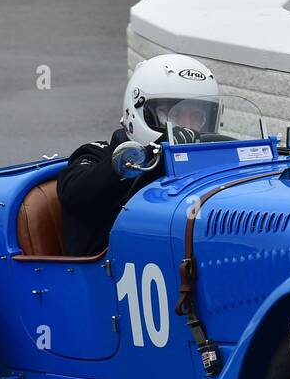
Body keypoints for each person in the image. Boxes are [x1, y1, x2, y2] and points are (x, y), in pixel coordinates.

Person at [57, 54, 222, 256]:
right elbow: (76, 194)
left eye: (197, 116)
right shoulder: (95, 155)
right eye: (176, 115)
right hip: (109, 269)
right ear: (140, 111)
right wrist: (143, 157)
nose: (188, 127)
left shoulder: (203, 165)